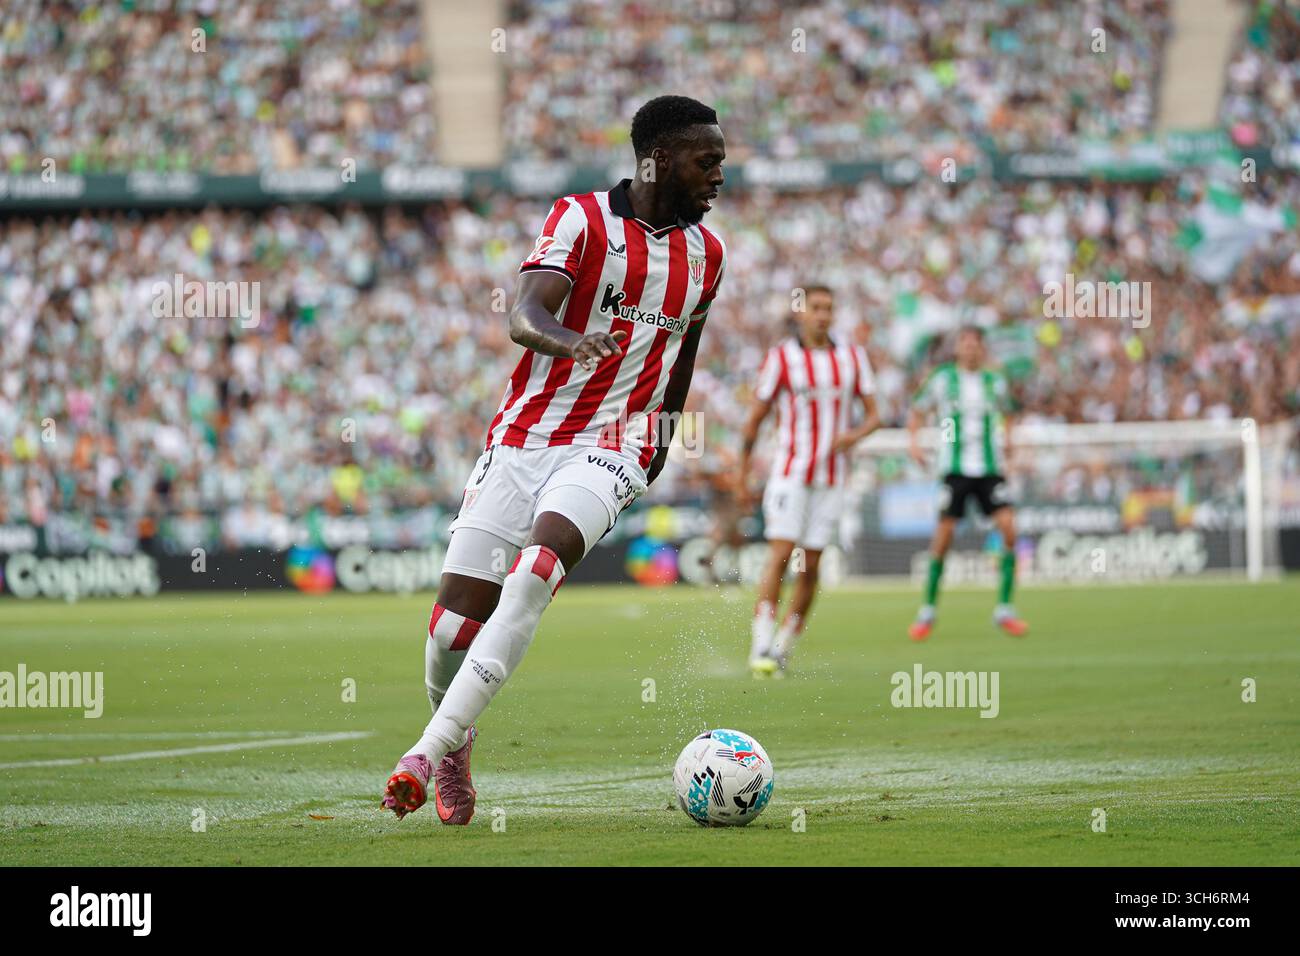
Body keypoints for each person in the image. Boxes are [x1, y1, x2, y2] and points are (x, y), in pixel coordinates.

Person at [380, 95, 727, 823]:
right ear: (659, 158)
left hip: (613, 444)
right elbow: (524, 314)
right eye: (707, 161)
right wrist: (573, 342)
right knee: (450, 628)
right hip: (524, 437)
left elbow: (682, 353)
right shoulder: (579, 218)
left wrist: (659, 443)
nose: (718, 176)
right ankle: (458, 740)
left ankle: (424, 751)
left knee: (539, 569)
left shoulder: (709, 255)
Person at [738, 286, 880, 677]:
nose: (823, 315)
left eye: (829, 309)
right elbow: (756, 417)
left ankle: (784, 646)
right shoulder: (782, 357)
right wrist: (742, 472)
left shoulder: (852, 357)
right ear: (800, 312)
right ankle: (760, 644)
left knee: (812, 565)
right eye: (816, 308)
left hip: (832, 478)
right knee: (781, 553)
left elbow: (874, 415)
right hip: (790, 473)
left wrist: (853, 435)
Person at [907, 325, 1028, 641]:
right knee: (944, 537)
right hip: (955, 469)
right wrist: (915, 443)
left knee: (1009, 530)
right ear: (958, 348)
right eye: (966, 344)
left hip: (990, 470)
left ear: (982, 349)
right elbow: (917, 410)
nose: (971, 349)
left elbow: (1010, 413)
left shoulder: (995, 381)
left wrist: (1010, 441)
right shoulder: (942, 378)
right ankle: (928, 611)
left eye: (976, 344)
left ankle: (1004, 609)